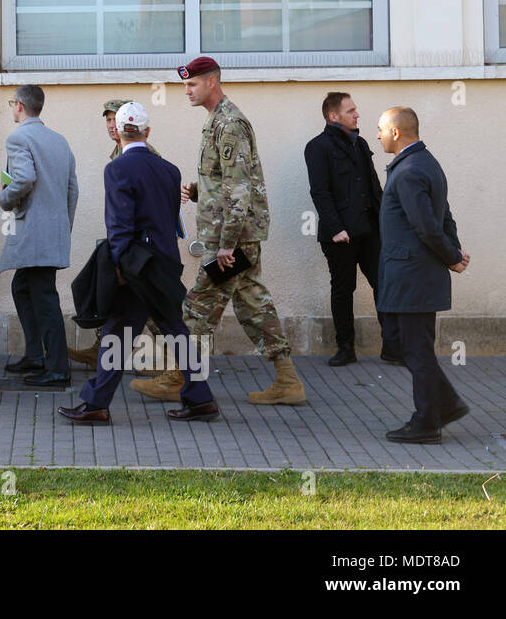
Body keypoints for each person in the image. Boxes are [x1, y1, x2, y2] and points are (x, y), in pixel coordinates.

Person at [133, 57, 307, 405]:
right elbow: (226, 180)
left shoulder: (229, 123)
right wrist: (201, 190)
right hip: (236, 235)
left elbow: (239, 188)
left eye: (192, 85)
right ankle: (288, 380)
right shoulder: (217, 120)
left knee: (199, 305)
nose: (187, 91)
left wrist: (227, 245)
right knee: (251, 302)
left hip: (232, 241)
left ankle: (178, 378)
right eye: (185, 85)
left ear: (212, 82)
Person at [58, 103, 220, 424]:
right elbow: (167, 219)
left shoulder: (117, 169)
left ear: (117, 132)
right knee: (176, 331)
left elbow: (119, 225)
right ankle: (200, 398)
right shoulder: (170, 170)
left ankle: (95, 404)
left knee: (117, 336)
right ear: (148, 132)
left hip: (135, 268)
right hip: (164, 265)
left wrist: (118, 268)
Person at [375, 107, 470, 444]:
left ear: (396, 133)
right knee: (409, 345)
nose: (378, 135)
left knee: (414, 348)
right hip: (413, 274)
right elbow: (445, 217)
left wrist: (451, 257)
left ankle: (428, 420)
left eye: (381, 129)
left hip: (411, 276)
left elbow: (428, 226)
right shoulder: (424, 163)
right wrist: (454, 253)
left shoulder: (409, 170)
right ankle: (443, 405)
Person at [304, 91, 399, 367]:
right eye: (351, 111)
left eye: (355, 110)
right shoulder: (318, 147)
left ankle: (392, 347)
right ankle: (345, 348)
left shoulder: (360, 144)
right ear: (334, 116)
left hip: (370, 231)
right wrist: (335, 228)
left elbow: (374, 188)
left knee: (384, 285)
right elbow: (320, 192)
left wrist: (384, 223)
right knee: (344, 290)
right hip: (341, 236)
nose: (357, 114)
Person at [70, 98, 163, 369]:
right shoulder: (119, 151)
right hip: (128, 240)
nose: (111, 125)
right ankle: (102, 351)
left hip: (142, 243)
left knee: (151, 306)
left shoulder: (142, 153)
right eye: (108, 120)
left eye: (115, 119)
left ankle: (177, 361)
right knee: (119, 297)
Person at [0, 84, 78, 387]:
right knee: (23, 287)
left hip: (33, 231)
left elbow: (24, 179)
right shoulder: (59, 140)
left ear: (19, 105)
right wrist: (62, 226)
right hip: (52, 231)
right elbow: (73, 190)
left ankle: (57, 369)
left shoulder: (18, 138)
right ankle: (35, 355)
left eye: (11, 103)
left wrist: (4, 198)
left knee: (44, 297)